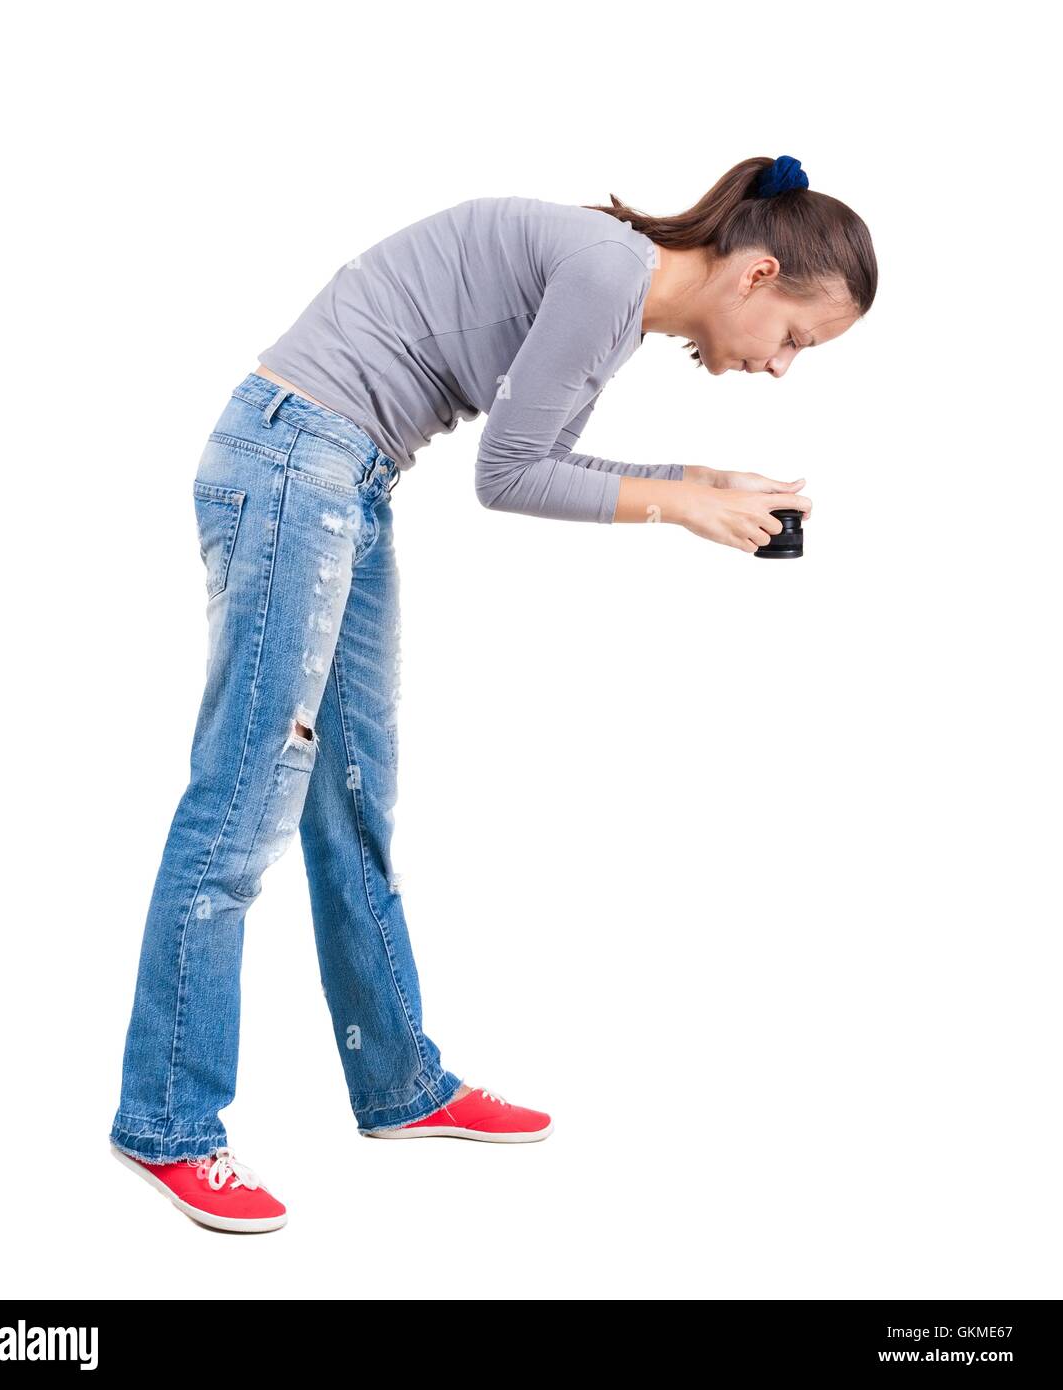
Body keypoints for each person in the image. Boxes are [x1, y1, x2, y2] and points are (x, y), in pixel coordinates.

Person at [109, 154, 877, 1233]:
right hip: (296, 464)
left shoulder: (614, 288)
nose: (784, 367)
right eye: (797, 337)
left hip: (343, 471)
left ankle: (399, 1085)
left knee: (352, 796)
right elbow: (510, 477)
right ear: (756, 275)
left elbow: (540, 451)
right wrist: (679, 509)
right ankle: (167, 1125)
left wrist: (704, 481)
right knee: (241, 805)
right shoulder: (611, 275)